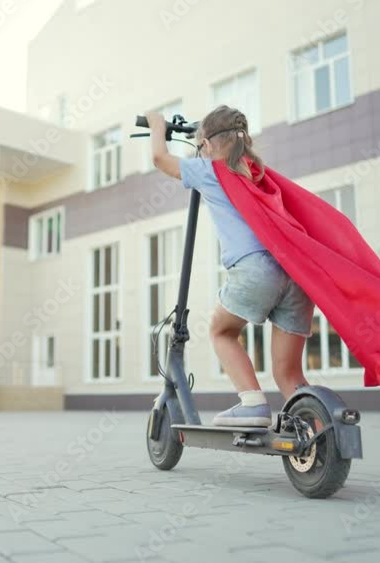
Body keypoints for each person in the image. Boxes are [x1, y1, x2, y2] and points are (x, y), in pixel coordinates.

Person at [146, 105, 313, 427]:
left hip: (256, 271)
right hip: (296, 274)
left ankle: (252, 403)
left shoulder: (210, 170)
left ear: (205, 145)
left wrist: (156, 125)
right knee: (289, 372)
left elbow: (160, 159)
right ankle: (319, 431)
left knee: (221, 331)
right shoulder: (258, 174)